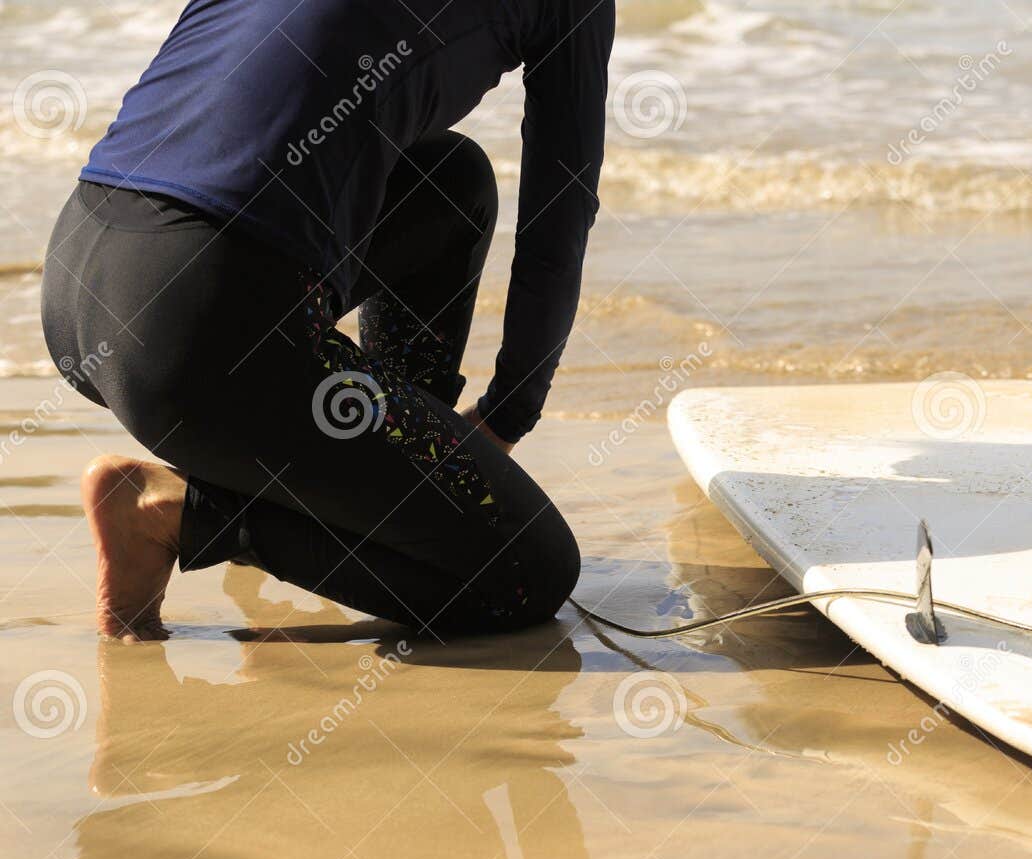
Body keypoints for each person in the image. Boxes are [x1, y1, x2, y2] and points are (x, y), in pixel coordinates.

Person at [41, 0, 614, 640]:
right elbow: (558, 224)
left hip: (79, 274)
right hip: (198, 331)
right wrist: (507, 415)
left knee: (452, 184)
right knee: (530, 573)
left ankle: (362, 487)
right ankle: (176, 514)